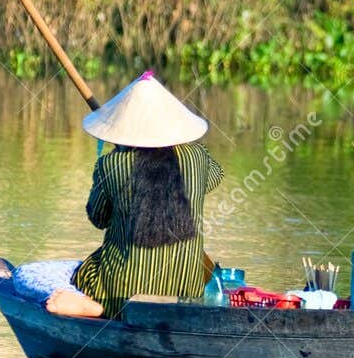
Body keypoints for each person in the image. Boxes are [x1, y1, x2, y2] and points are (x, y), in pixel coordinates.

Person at [46, 72, 223, 318]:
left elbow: (98, 218)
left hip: (120, 293)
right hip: (187, 292)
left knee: (84, 272)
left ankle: (100, 307)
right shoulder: (197, 157)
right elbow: (214, 178)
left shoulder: (111, 164)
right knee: (204, 267)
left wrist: (120, 165)